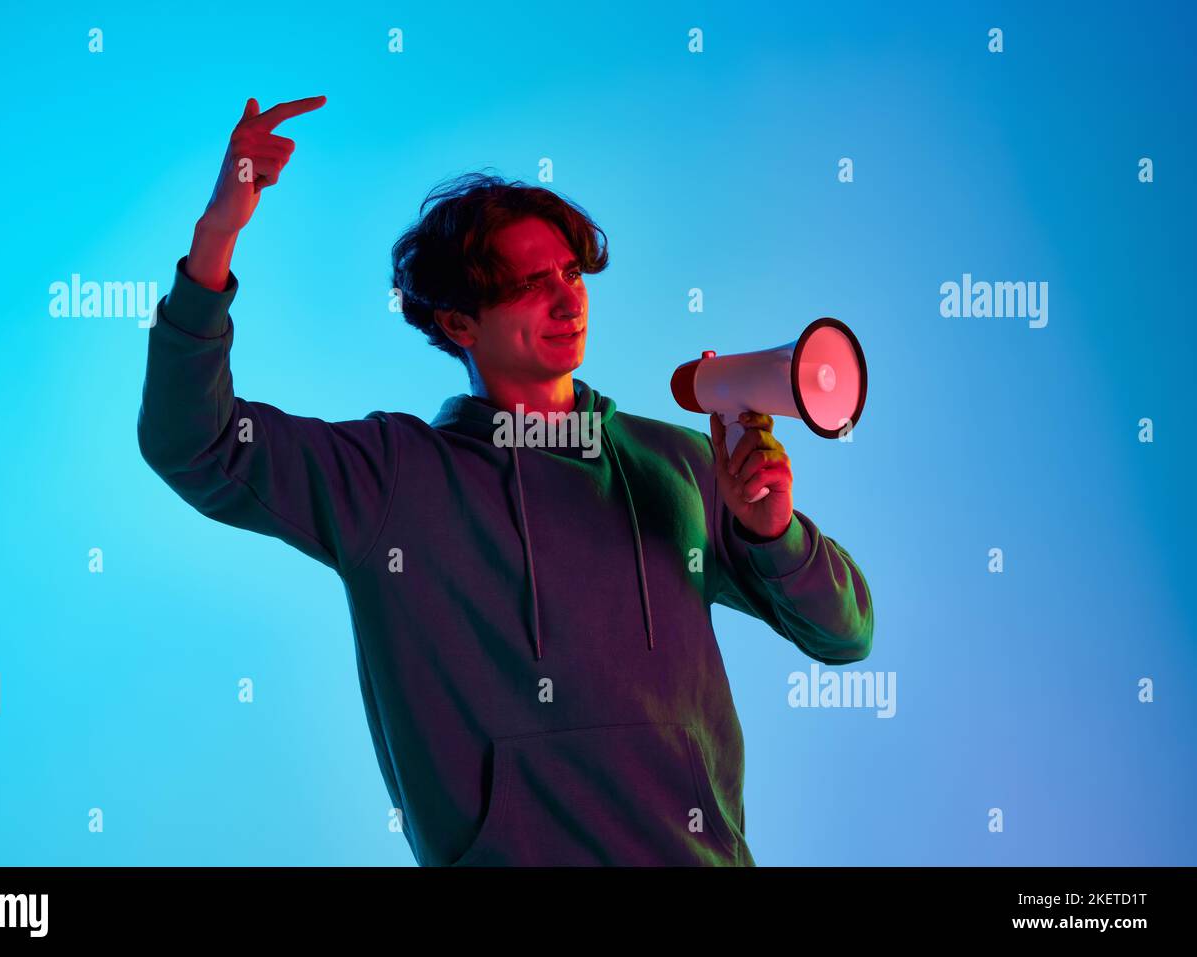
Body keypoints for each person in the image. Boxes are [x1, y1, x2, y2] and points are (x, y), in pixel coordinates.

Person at [136, 95, 875, 867]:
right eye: (530, 283)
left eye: (571, 271)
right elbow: (194, 442)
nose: (567, 297)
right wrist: (216, 236)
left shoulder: (684, 465)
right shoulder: (392, 478)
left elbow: (847, 632)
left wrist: (771, 531)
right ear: (458, 323)